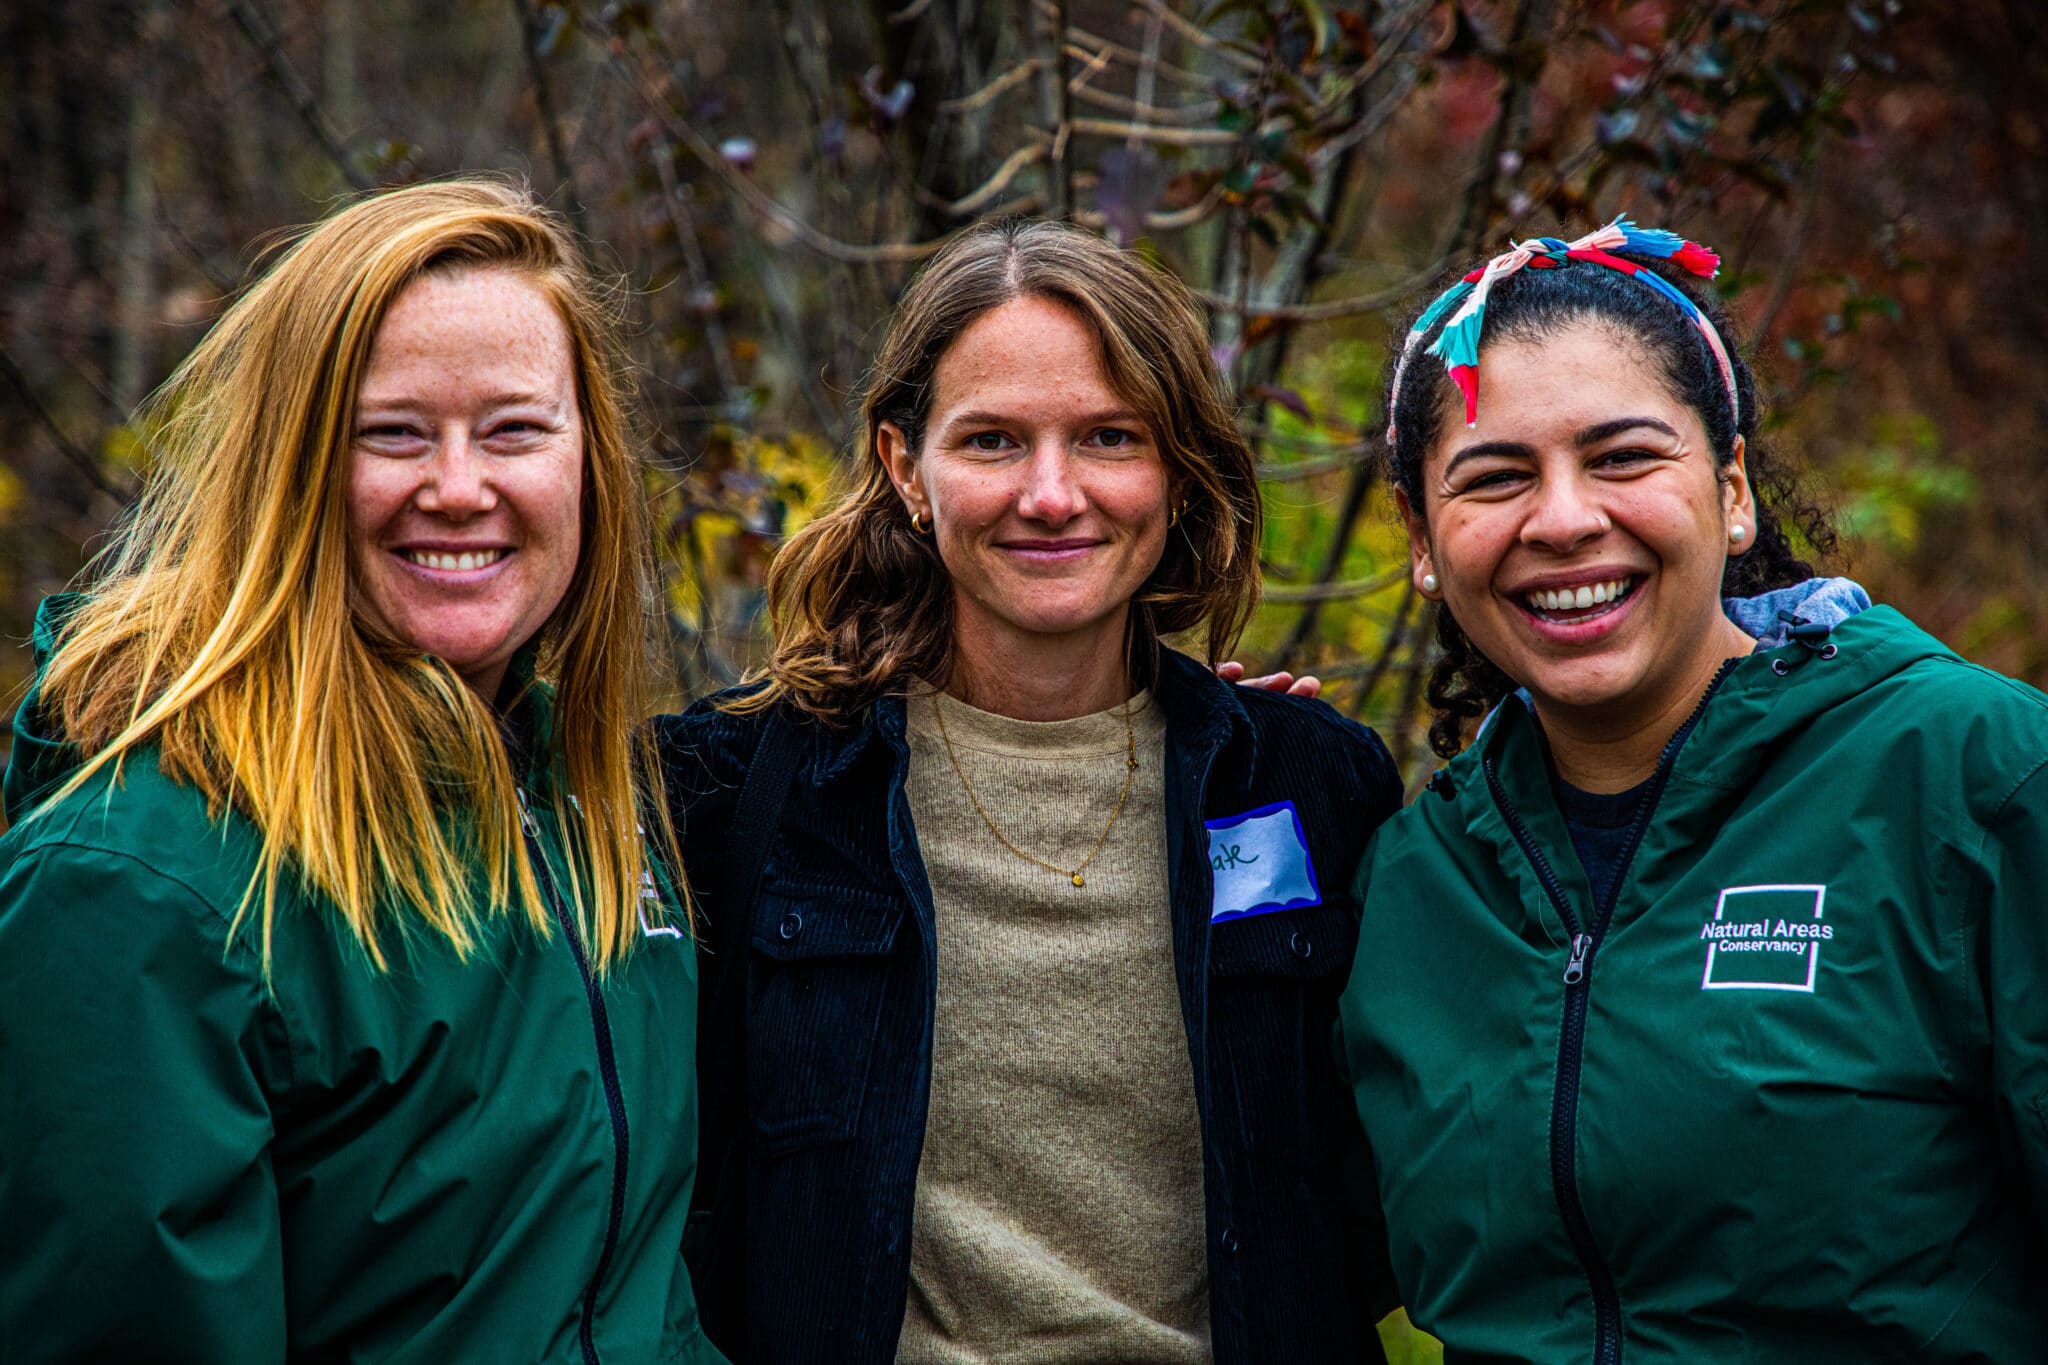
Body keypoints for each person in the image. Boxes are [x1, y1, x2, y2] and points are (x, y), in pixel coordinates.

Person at [0, 180, 724, 1363]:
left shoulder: (592, 815)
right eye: (392, 433)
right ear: (292, 471)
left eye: (513, 430)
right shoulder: (138, 879)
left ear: (587, 462)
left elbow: (630, 1293)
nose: (456, 485)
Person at [662, 217, 1404, 1363]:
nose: (1052, 496)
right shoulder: (734, 795)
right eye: (993, 441)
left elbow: (1383, 1199)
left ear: (1175, 468)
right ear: (908, 468)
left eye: (1109, 437)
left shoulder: (1310, 782)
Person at [1337, 219, 2048, 1359]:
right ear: (1423, 542)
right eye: (1494, 476)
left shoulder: (1978, 775)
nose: (1562, 519)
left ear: (1729, 494)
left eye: (1622, 458)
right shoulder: (1413, 881)